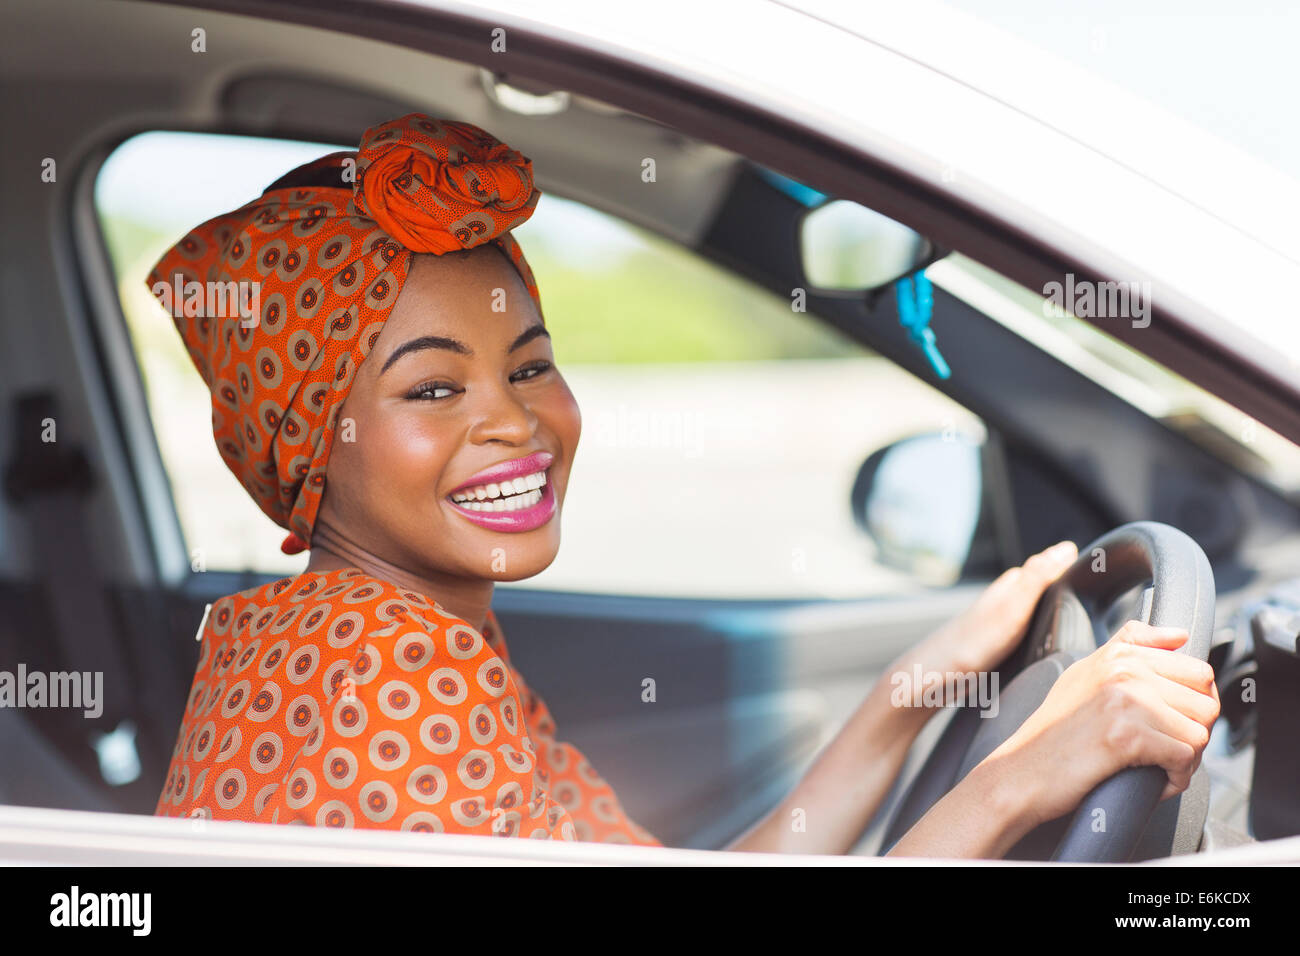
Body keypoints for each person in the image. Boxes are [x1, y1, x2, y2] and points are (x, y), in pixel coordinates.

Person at [150, 113, 1219, 854]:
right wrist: (1020, 778)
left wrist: (920, 683)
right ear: (307, 443)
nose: (514, 419)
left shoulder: (330, 633)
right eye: (431, 388)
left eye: (529, 363)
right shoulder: (386, 667)